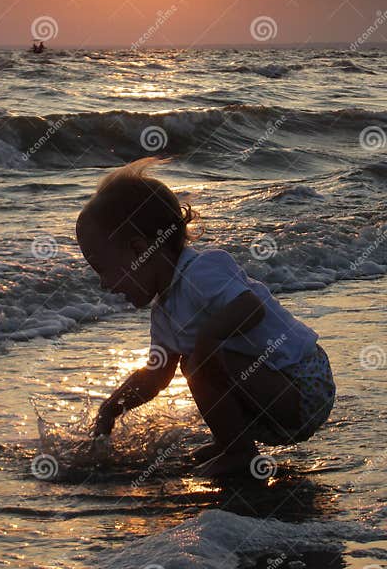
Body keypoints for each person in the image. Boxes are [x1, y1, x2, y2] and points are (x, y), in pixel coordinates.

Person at [75, 157, 335, 476]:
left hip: (303, 384)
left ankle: (239, 453)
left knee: (198, 360)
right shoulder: (164, 314)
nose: (104, 283)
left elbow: (250, 308)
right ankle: (233, 442)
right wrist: (111, 409)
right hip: (270, 401)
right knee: (196, 361)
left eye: (104, 269)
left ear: (139, 247)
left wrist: (208, 341)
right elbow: (156, 377)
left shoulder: (202, 270)